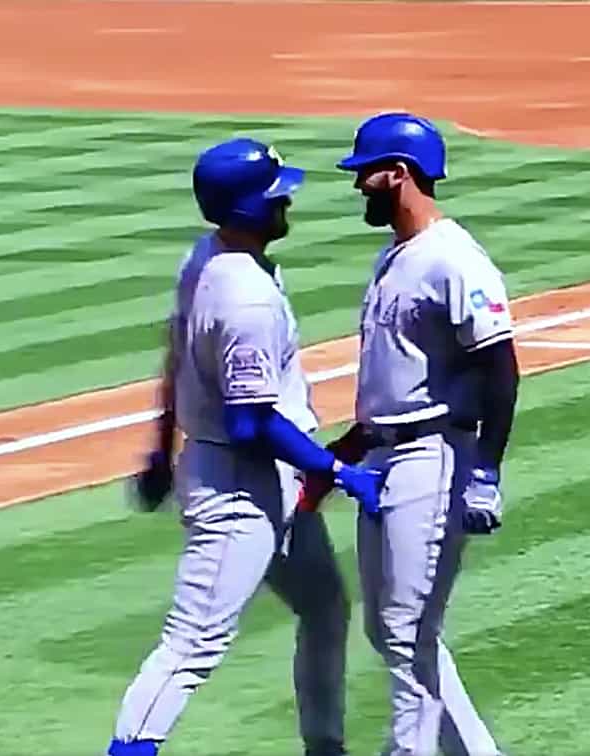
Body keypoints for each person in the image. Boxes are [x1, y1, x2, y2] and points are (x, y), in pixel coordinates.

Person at [107, 137, 383, 756]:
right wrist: (338, 470)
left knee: (324, 607)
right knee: (193, 643)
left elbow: (175, 358)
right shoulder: (245, 298)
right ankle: (130, 747)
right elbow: (252, 422)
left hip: (259, 477)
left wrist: (159, 447)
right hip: (239, 491)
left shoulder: (207, 258)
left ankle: (325, 746)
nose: (286, 201)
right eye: (275, 194)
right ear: (245, 209)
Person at [300, 112, 520, 755]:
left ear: (397, 173)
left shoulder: (454, 260)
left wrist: (486, 472)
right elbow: (397, 382)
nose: (357, 185)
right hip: (385, 457)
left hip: (434, 459)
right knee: (396, 632)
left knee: (405, 631)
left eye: (365, 173)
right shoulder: (395, 258)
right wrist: (343, 452)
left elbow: (500, 369)